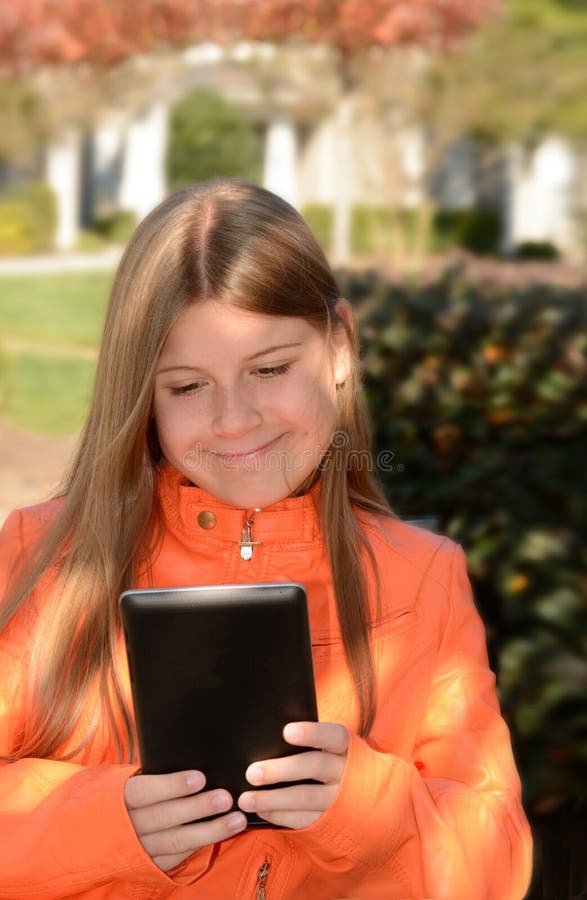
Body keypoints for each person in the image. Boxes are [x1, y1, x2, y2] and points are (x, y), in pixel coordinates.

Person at [0, 179, 532, 899]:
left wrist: (363, 808)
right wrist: (103, 822)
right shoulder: (41, 556)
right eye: (185, 387)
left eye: (270, 369)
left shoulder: (421, 577)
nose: (233, 421)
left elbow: (496, 862)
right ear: (141, 395)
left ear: (339, 347)